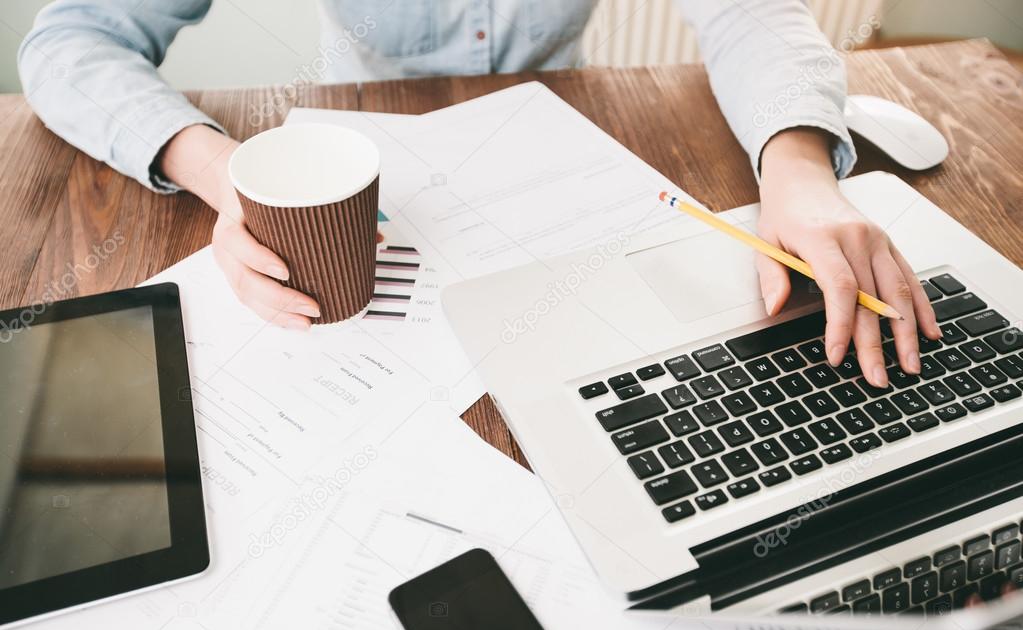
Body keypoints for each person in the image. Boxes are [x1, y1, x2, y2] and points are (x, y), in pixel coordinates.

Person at [18, 0, 940, 388]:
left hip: (571, 162)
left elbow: (749, 11)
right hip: (363, 162)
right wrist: (226, 178)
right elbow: (71, 40)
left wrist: (798, 167)